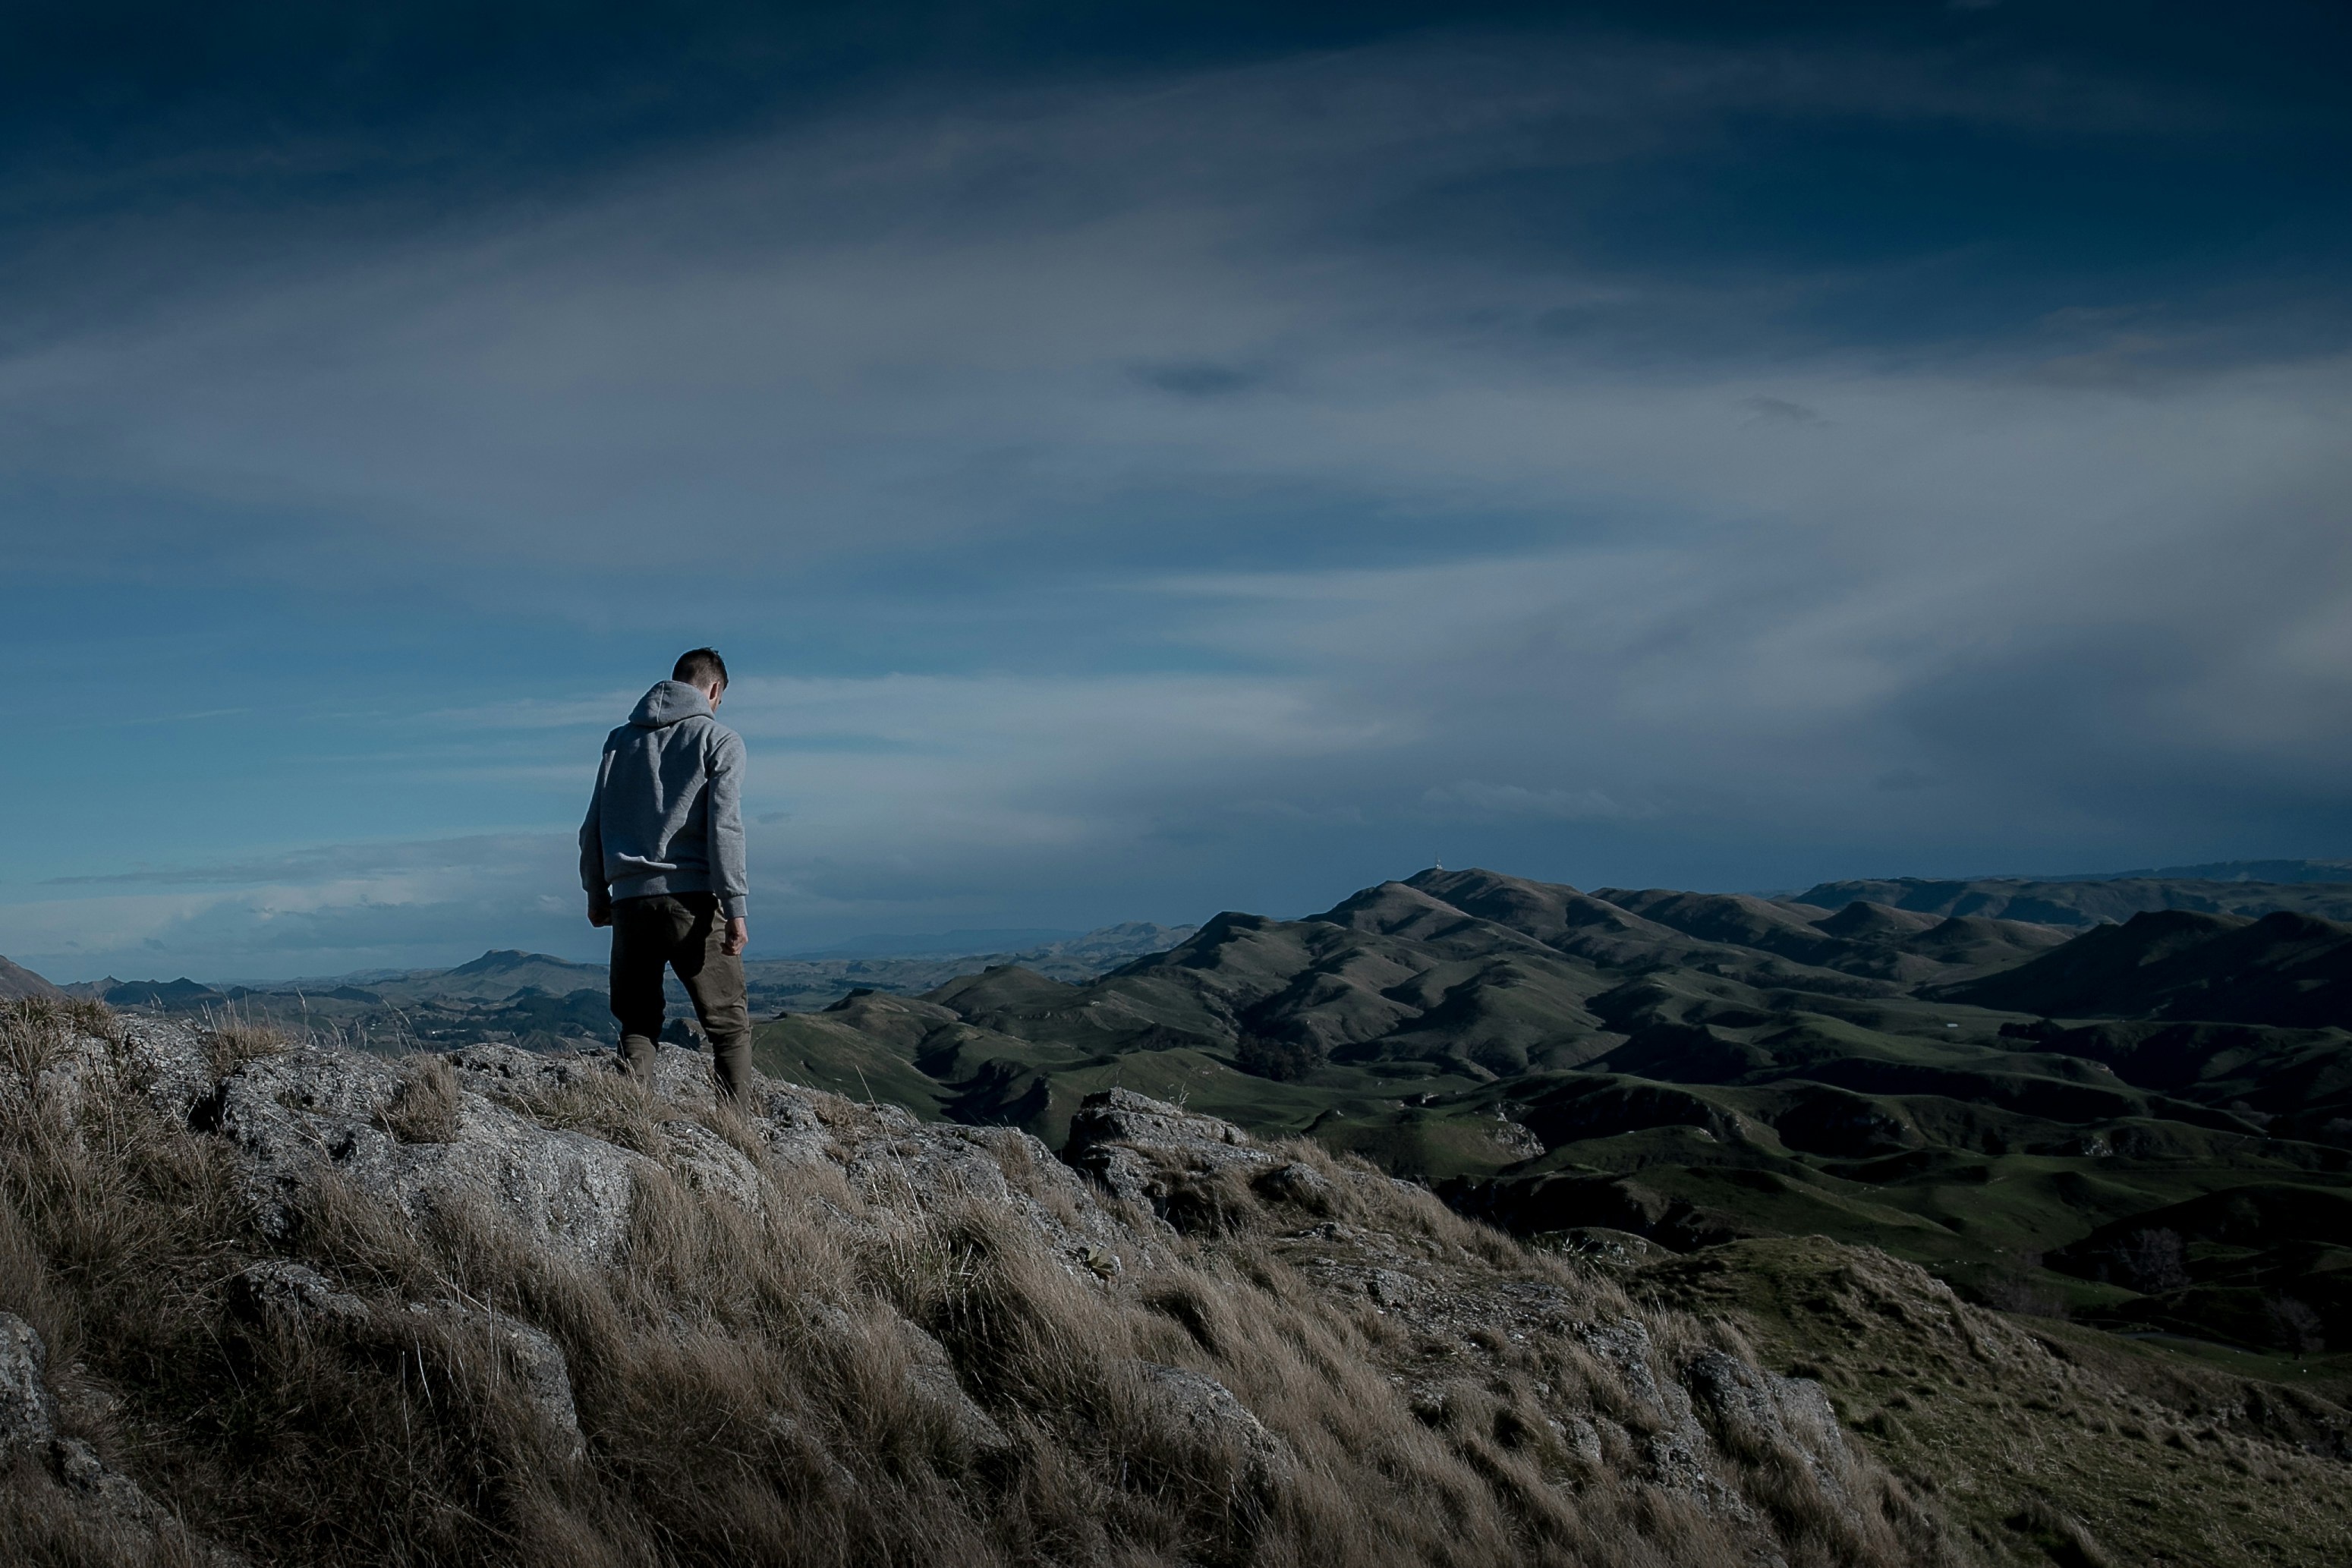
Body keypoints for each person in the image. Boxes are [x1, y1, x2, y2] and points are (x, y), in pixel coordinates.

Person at [578, 647, 753, 1098]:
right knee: (729, 1027)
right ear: (714, 690)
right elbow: (725, 828)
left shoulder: (619, 741)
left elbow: (591, 827)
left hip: (630, 903)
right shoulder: (719, 740)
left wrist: (597, 893)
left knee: (638, 1022)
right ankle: (739, 1135)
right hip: (691, 900)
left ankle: (633, 1124)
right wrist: (736, 906)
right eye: (720, 699)